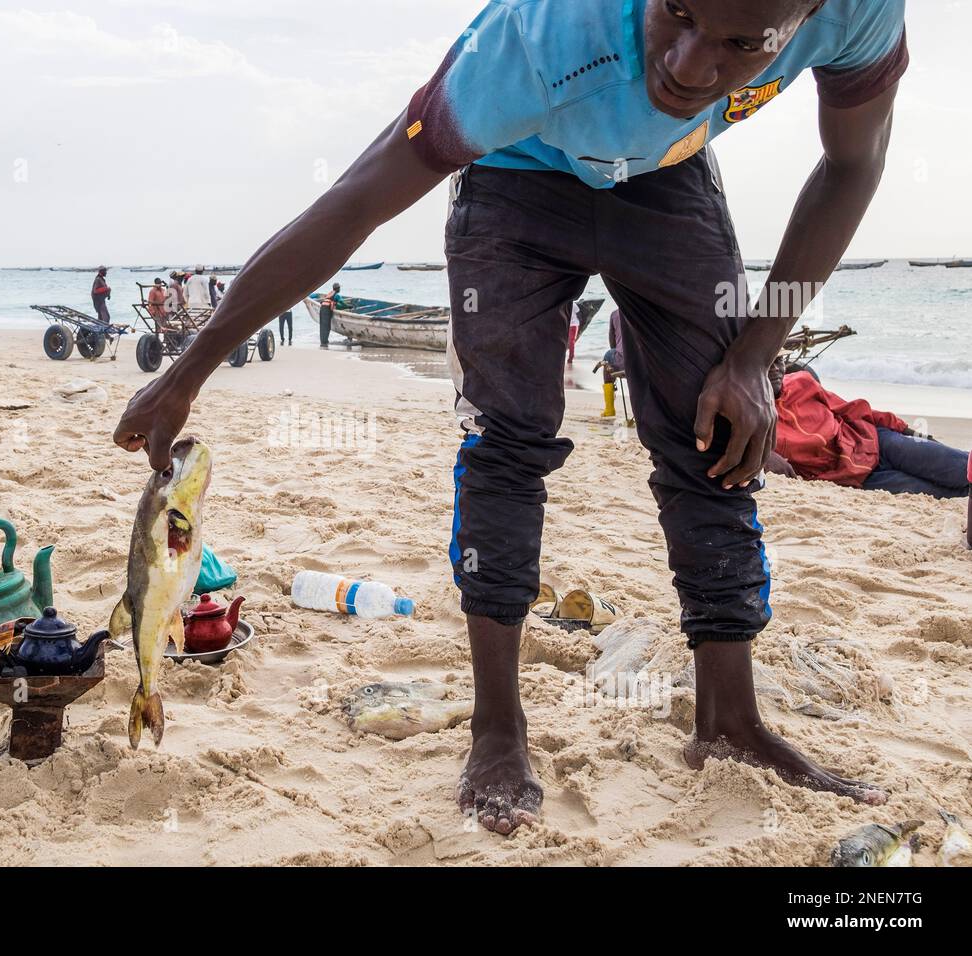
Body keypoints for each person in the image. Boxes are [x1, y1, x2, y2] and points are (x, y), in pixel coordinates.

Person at [115, 0, 910, 831]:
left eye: (742, 46)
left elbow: (852, 165)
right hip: (515, 182)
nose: (687, 64)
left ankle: (730, 721)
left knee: (716, 435)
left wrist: (753, 356)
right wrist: (187, 371)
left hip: (668, 179)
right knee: (507, 441)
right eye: (676, 13)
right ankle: (498, 726)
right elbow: (355, 204)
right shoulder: (533, 41)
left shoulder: (860, 14)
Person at [767, 361, 968, 498]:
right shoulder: (754, 417)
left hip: (876, 441)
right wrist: (766, 455)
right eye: (769, 363)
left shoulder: (802, 382)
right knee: (946, 492)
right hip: (856, 476)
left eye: (780, 360)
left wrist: (909, 431)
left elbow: (851, 409)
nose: (776, 369)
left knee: (960, 468)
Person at [600, 308, 626, 418]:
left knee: (607, 356)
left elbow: (612, 341)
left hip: (623, 359)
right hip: (643, 358)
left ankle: (609, 408)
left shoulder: (615, 314)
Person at [317, 282, 341, 349]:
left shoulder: (330, 293)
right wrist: (349, 306)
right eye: (339, 288)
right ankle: (324, 343)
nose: (340, 289)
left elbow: (323, 301)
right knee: (326, 327)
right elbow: (342, 303)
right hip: (326, 310)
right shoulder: (336, 295)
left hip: (322, 309)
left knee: (323, 326)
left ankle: (323, 342)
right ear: (338, 289)